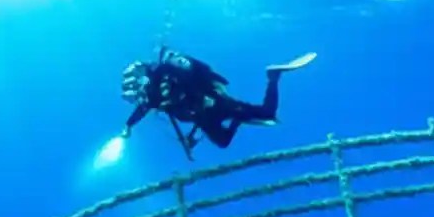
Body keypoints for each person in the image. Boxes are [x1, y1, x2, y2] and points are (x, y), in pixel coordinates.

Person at [119, 48, 317, 155]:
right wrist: (128, 126)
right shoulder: (154, 94)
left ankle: (273, 76)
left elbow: (189, 85)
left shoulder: (161, 83)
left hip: (213, 106)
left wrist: (128, 126)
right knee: (224, 140)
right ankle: (240, 116)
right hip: (205, 116)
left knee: (267, 114)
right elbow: (141, 111)